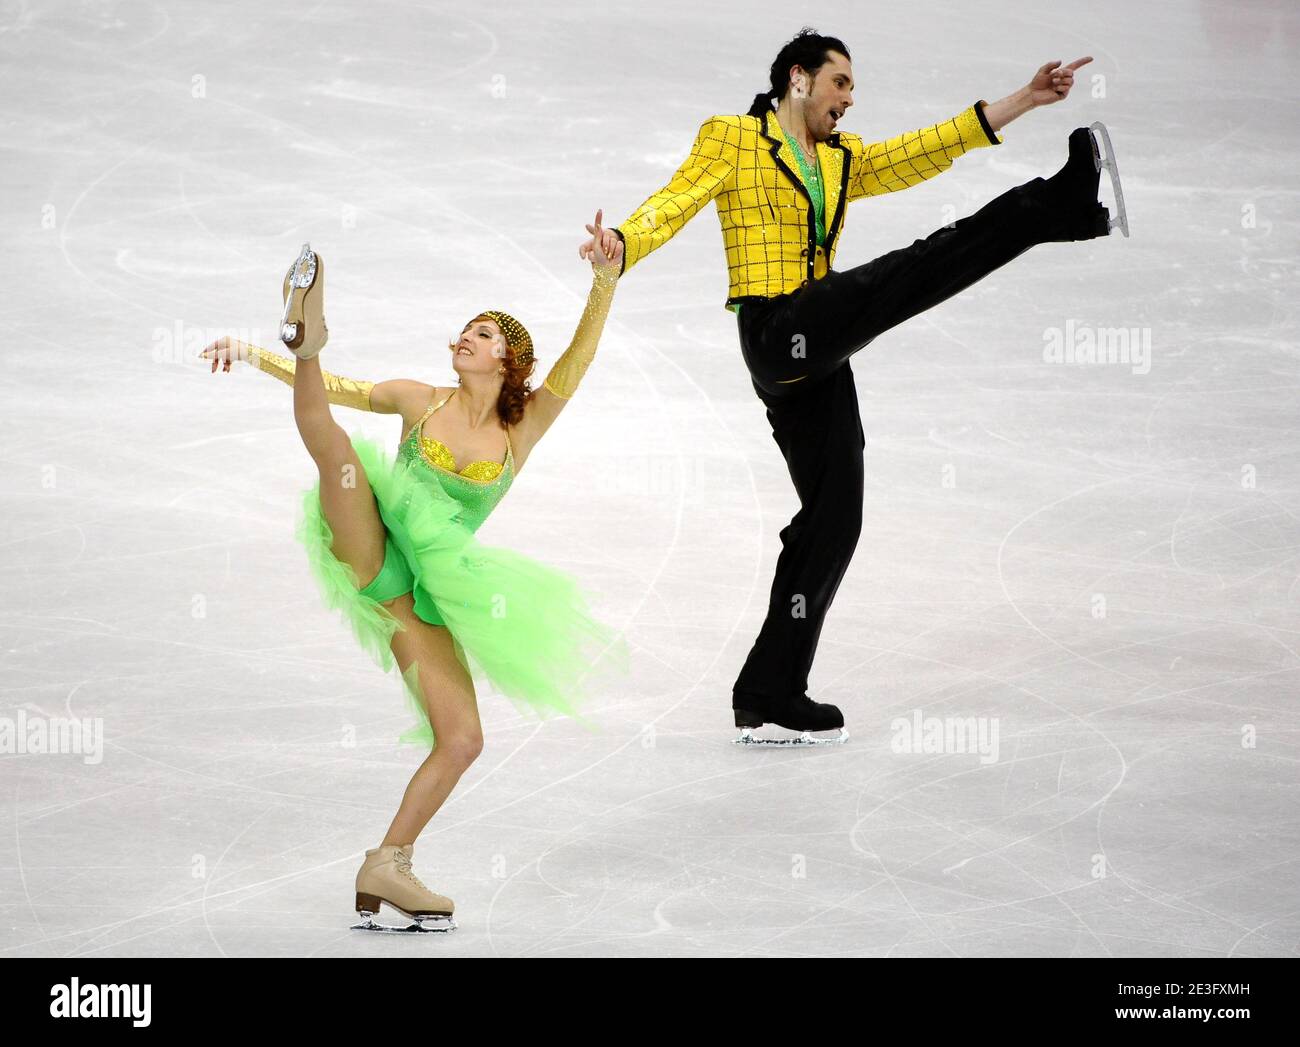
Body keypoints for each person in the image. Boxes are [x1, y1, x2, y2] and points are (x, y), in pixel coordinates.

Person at [581, 28, 1124, 744]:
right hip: (779, 331)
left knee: (835, 519)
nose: (849, 98)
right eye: (840, 83)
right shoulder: (735, 138)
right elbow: (676, 199)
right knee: (918, 268)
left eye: (852, 90)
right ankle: (1056, 205)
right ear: (799, 79)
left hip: (821, 352)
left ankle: (769, 686)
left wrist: (1025, 97)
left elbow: (923, 150)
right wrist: (624, 240)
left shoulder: (838, 158)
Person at [201, 211, 628, 930]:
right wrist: (263, 353)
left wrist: (604, 284)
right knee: (336, 451)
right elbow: (336, 390)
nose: (466, 336)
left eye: (484, 333)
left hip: (424, 590)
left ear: (507, 361)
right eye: (466, 328)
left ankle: (387, 862)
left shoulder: (518, 432)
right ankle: (307, 336)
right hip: (370, 532)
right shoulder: (418, 397)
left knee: (463, 736)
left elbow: (573, 368)